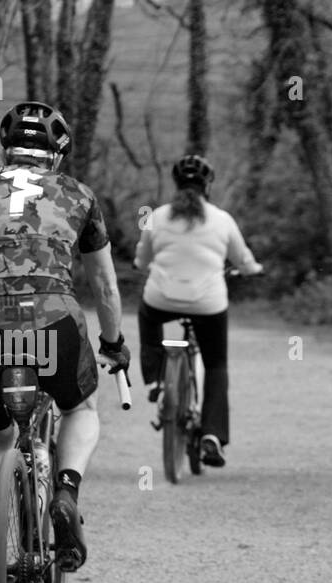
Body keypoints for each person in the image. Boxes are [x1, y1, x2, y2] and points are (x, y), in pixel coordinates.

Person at [0, 100, 129, 583]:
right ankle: (67, 490)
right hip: (55, 319)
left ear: (5, 150)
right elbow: (105, 285)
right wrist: (114, 344)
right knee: (80, 408)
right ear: (57, 153)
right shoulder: (78, 194)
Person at [134, 155, 263, 467]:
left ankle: (154, 380)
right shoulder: (222, 219)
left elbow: (141, 260)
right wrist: (253, 269)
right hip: (208, 304)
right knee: (216, 364)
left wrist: (148, 266)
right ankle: (213, 435)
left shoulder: (158, 216)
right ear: (208, 186)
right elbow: (243, 260)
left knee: (148, 317)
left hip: (161, 299)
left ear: (176, 185)